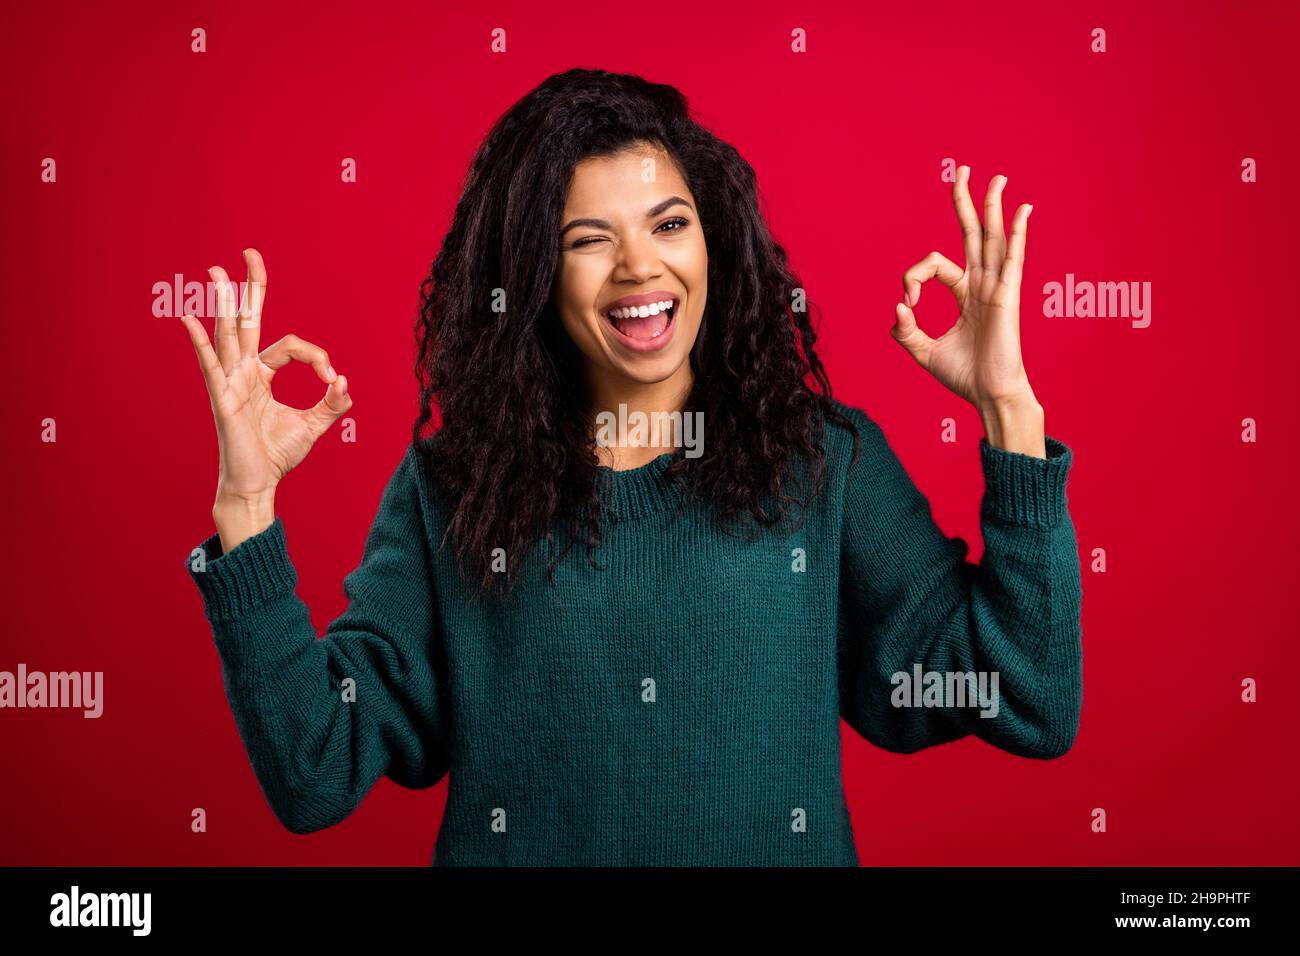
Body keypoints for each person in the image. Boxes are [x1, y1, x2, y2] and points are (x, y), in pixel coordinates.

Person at [179, 68, 1081, 866]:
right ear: (532, 275)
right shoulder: (454, 490)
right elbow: (313, 770)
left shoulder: (821, 466)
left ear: (713, 243)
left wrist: (1010, 408)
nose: (640, 266)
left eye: (670, 222)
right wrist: (246, 504)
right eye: (588, 239)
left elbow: (1029, 700)